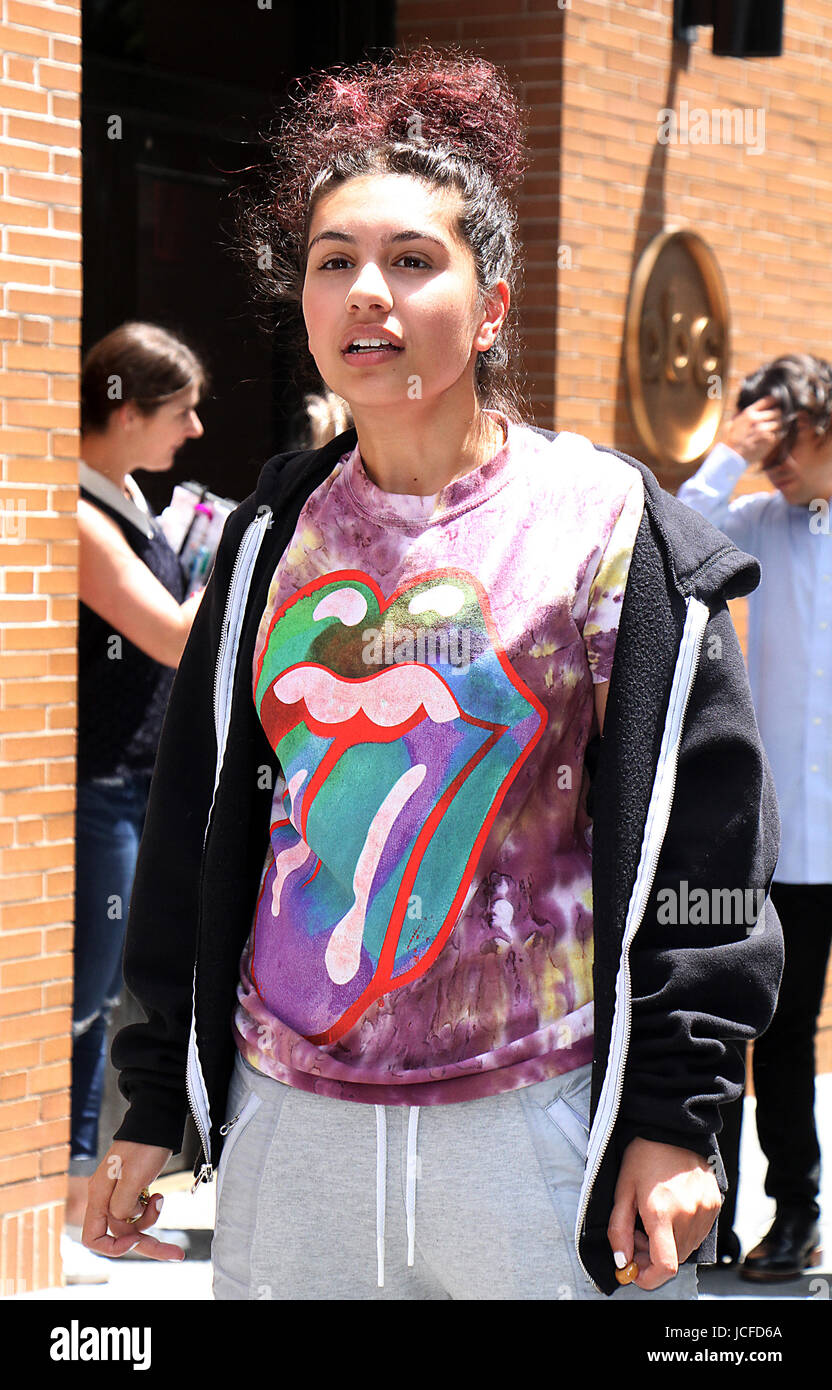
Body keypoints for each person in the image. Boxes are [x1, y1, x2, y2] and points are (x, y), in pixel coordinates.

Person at [81, 46, 782, 1301]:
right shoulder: (270, 539)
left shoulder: (607, 527)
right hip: (291, 1124)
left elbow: (709, 841)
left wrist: (675, 1115)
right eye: (332, 261)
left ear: (492, 303)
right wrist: (150, 1096)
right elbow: (196, 825)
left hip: (537, 1130)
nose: (367, 292)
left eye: (412, 259)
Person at [678, 354, 832, 1282]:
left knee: (783, 1043)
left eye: (787, 430)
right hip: (774, 846)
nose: (775, 452)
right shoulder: (755, 524)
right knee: (755, 1037)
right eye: (760, 428)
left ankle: (796, 1217)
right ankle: (747, 1221)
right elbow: (668, 549)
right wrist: (728, 454)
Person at [65, 322, 208, 1283]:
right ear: (126, 412)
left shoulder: (134, 502)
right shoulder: (77, 512)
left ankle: (80, 1209)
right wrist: (240, 547)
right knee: (79, 1005)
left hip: (139, 790)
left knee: (103, 1004)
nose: (195, 430)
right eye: (181, 411)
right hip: (95, 791)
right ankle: (62, 1207)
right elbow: (170, 637)